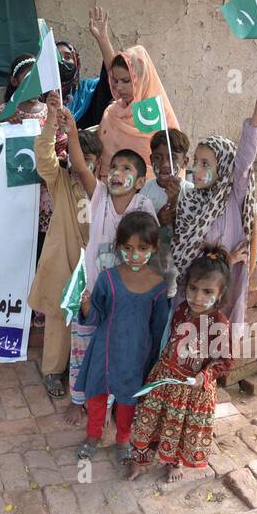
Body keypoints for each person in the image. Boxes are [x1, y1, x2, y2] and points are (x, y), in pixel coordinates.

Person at [61, 113, 169, 426]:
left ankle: (112, 402)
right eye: (113, 168)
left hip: (125, 297)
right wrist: (70, 130)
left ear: (138, 182)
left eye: (126, 169)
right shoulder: (99, 197)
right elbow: (81, 167)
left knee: (116, 351)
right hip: (94, 291)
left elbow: (150, 249)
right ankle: (78, 401)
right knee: (84, 346)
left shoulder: (143, 207)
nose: (116, 173)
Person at [171, 80, 257, 331]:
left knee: (219, 345)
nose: (196, 170)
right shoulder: (189, 202)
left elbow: (243, 162)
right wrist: (227, 259)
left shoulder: (233, 196)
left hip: (225, 295)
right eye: (196, 162)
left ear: (223, 168)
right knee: (185, 346)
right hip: (193, 298)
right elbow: (186, 261)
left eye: (206, 164)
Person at [74, 211, 174, 466]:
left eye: (142, 248)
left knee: (128, 400)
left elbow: (158, 327)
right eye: (128, 248)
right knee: (97, 395)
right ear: (119, 247)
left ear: (153, 248)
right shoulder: (108, 278)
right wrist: (85, 305)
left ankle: (123, 439)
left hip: (137, 354)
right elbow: (95, 317)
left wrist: (152, 360)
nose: (135, 255)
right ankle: (93, 436)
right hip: (105, 349)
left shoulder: (159, 286)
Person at [127, 245, 234, 482]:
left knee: (179, 428)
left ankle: (174, 463)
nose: (197, 297)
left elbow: (225, 361)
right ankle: (139, 460)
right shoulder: (182, 310)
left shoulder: (219, 323)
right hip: (165, 378)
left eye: (207, 292)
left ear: (221, 292)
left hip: (191, 390)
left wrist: (203, 377)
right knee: (149, 419)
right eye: (193, 289)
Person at [29, 95, 104, 399]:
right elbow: (44, 157)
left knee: (90, 318)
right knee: (59, 318)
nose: (83, 162)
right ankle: (51, 372)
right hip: (63, 261)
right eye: (78, 155)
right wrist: (50, 120)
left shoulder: (103, 188)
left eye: (90, 158)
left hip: (93, 263)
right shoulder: (59, 181)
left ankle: (83, 373)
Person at [97, 43, 180, 176]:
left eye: (125, 81)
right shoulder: (111, 113)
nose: (119, 88)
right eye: (116, 81)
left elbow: (171, 165)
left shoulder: (158, 116)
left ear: (141, 79)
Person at [150, 127, 192, 231]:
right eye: (158, 158)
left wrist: (174, 202)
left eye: (172, 158)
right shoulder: (145, 190)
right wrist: (157, 221)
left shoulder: (191, 191)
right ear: (151, 160)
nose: (164, 164)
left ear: (184, 162)